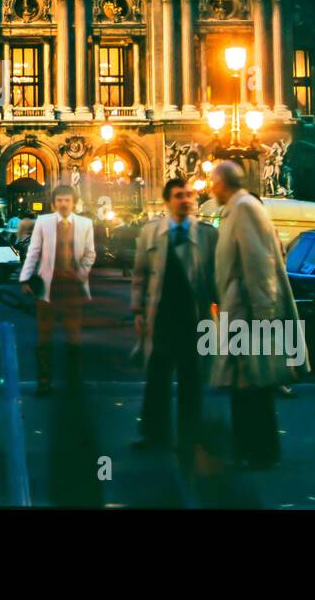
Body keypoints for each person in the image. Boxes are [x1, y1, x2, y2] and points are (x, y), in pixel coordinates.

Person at [208, 161, 308, 469]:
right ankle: (252, 449)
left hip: (249, 315)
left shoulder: (244, 209)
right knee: (247, 387)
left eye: (212, 182)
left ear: (223, 184)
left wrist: (264, 316)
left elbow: (259, 264)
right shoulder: (238, 208)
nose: (210, 188)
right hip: (241, 312)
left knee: (252, 387)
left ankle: (259, 451)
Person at [131, 178, 217, 453]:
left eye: (190, 194)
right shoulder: (150, 232)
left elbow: (217, 277)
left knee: (192, 377)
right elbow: (140, 274)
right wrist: (137, 310)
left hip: (194, 316)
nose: (186, 199)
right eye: (179, 195)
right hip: (161, 314)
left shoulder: (208, 235)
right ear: (168, 201)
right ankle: (154, 435)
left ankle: (189, 434)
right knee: (157, 377)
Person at [19, 185, 96, 396]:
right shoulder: (43, 222)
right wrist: (25, 278)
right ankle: (44, 382)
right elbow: (33, 252)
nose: (63, 204)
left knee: (74, 339)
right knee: (44, 339)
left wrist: (82, 272)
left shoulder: (85, 224)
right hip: (48, 287)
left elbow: (90, 253)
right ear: (54, 203)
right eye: (60, 200)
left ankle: (74, 383)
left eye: (67, 200)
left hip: (73, 286)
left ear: (74, 203)